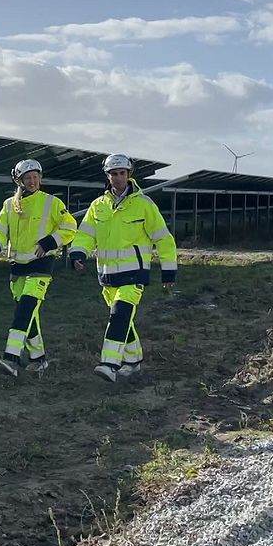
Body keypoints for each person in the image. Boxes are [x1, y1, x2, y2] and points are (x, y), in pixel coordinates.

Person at [70, 154, 177, 383]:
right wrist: (78, 253)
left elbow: (164, 239)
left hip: (134, 274)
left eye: (121, 173)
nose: (118, 178)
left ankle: (109, 364)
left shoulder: (144, 205)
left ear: (129, 175)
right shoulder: (97, 206)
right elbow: (86, 235)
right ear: (107, 176)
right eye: (113, 174)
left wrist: (169, 271)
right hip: (107, 276)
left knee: (119, 315)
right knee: (122, 319)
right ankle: (133, 360)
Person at [0, 159, 77, 377]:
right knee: (28, 314)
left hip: (42, 264)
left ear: (40, 178)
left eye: (36, 177)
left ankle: (11, 358)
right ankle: (39, 359)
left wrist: (49, 242)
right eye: (28, 178)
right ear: (20, 181)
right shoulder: (9, 204)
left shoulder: (51, 202)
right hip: (17, 265)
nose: (33, 181)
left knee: (25, 309)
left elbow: (70, 226)